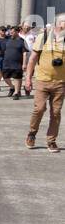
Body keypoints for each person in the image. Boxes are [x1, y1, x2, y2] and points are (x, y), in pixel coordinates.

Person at [25, 13, 65, 151]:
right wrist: (28, 79)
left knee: (56, 113)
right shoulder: (44, 37)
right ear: (59, 23)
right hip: (42, 80)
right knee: (39, 109)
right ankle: (32, 133)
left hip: (60, 82)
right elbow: (33, 59)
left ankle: (51, 140)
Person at [1, 27, 26, 99]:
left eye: (12, 31)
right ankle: (12, 87)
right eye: (10, 31)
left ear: (17, 32)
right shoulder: (7, 40)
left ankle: (16, 93)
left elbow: (24, 53)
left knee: (17, 77)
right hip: (7, 62)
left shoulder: (22, 41)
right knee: (5, 77)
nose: (11, 33)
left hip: (17, 63)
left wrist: (24, 63)